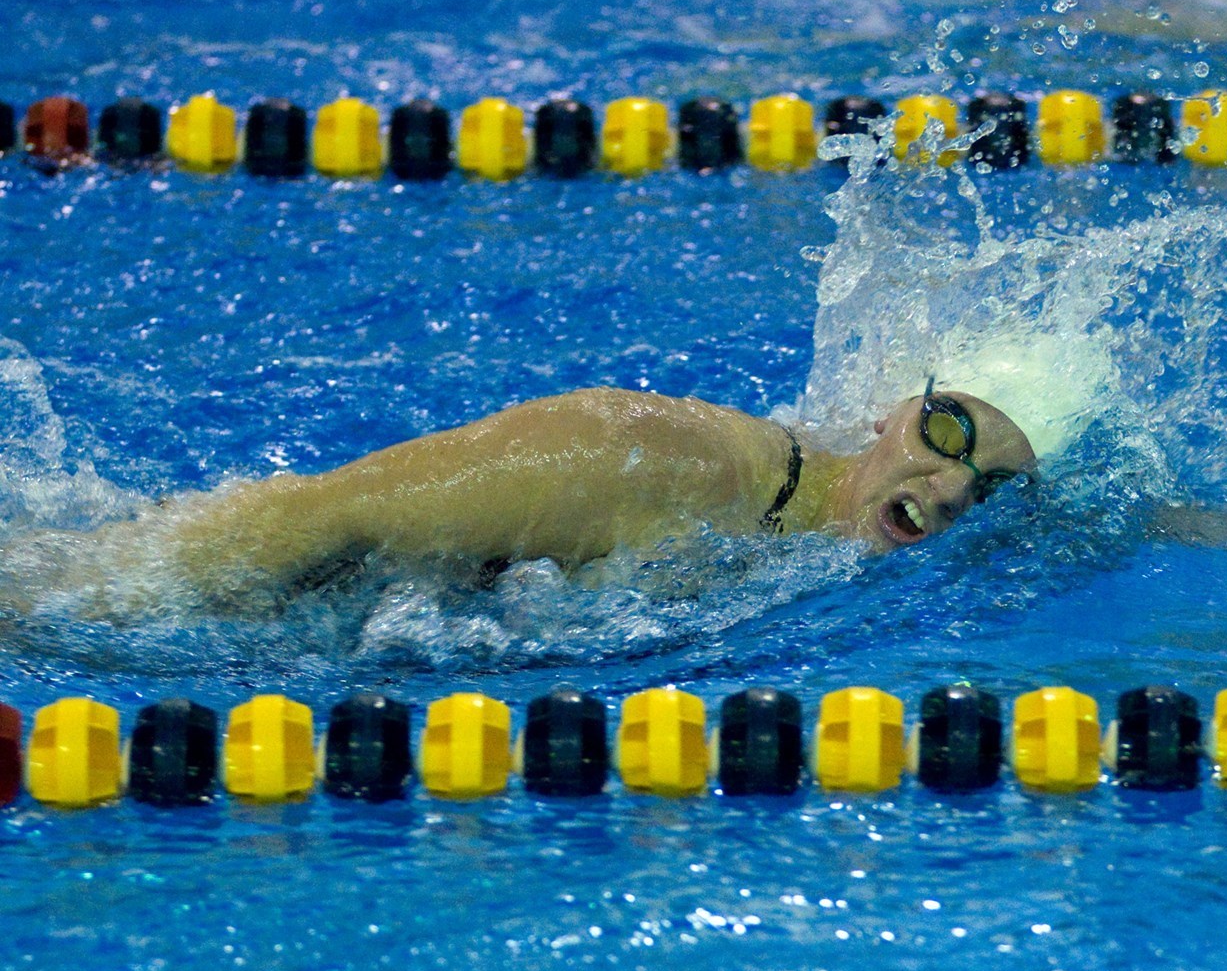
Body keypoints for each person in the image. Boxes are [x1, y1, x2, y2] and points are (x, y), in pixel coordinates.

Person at [0, 380, 1035, 618]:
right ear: (882, 417)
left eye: (985, 486)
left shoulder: (788, 529)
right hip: (263, 583)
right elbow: (321, 517)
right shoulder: (646, 461)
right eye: (948, 433)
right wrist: (87, 603)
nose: (951, 487)